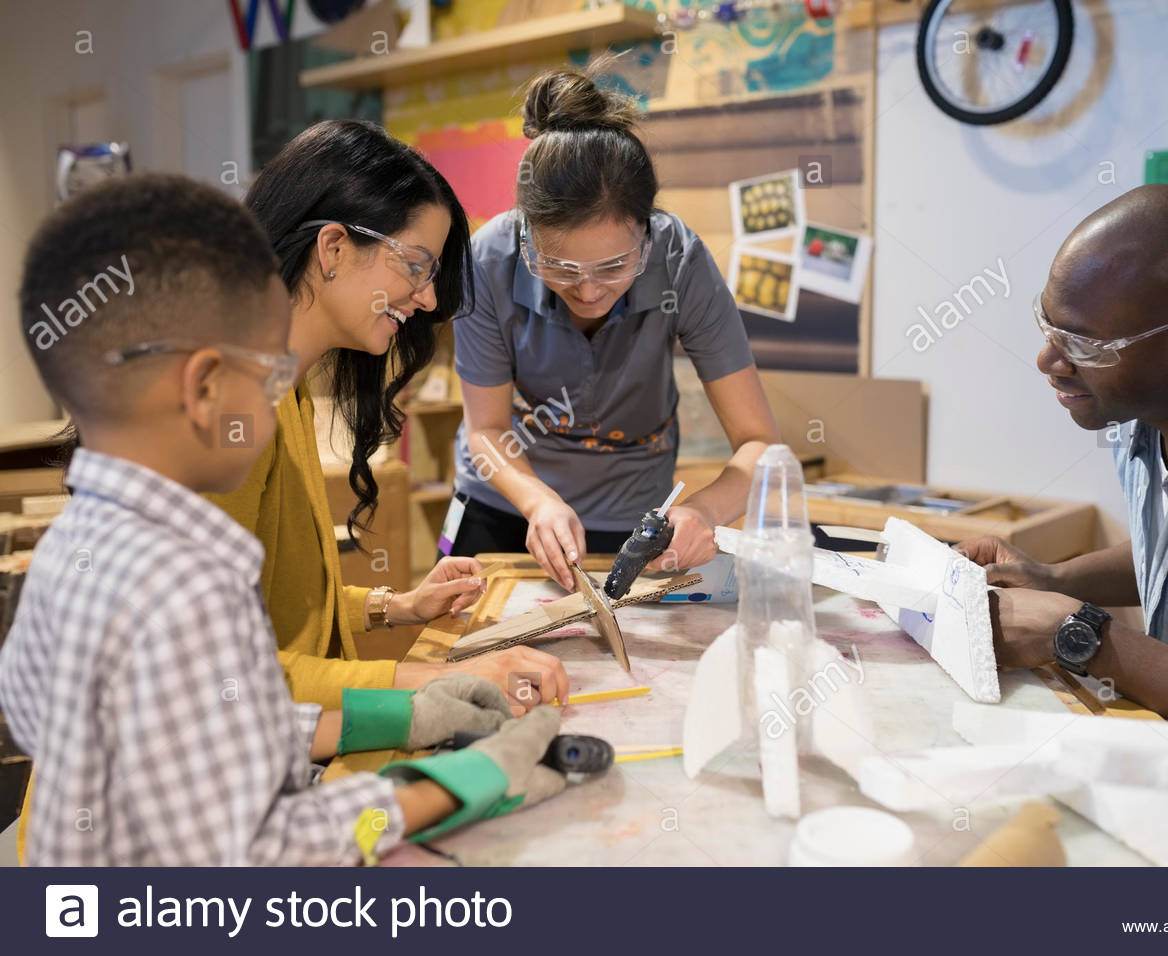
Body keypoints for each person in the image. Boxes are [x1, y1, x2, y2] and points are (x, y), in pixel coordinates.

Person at [0, 174, 565, 865]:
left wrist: (398, 713)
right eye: (266, 371)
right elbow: (265, 847)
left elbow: (209, 721)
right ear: (205, 387)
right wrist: (448, 789)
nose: (281, 392)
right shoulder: (187, 583)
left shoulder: (76, 550)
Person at [211, 120, 568, 710]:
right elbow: (216, 681)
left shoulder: (284, 384)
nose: (428, 298)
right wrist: (449, 679)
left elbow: (282, 604)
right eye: (415, 265)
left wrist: (397, 606)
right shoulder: (231, 408)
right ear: (333, 249)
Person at [959, 184, 1168, 733]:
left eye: (1084, 346)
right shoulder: (1148, 406)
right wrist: (1050, 579)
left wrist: (1079, 633)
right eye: (1048, 327)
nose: (1048, 359)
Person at [448, 65, 781, 590]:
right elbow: (486, 431)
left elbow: (760, 443)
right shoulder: (488, 260)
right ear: (527, 235)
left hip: (633, 516)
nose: (587, 291)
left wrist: (704, 510)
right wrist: (537, 500)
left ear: (647, 236)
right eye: (557, 267)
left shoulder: (680, 258)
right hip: (506, 501)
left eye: (613, 267)